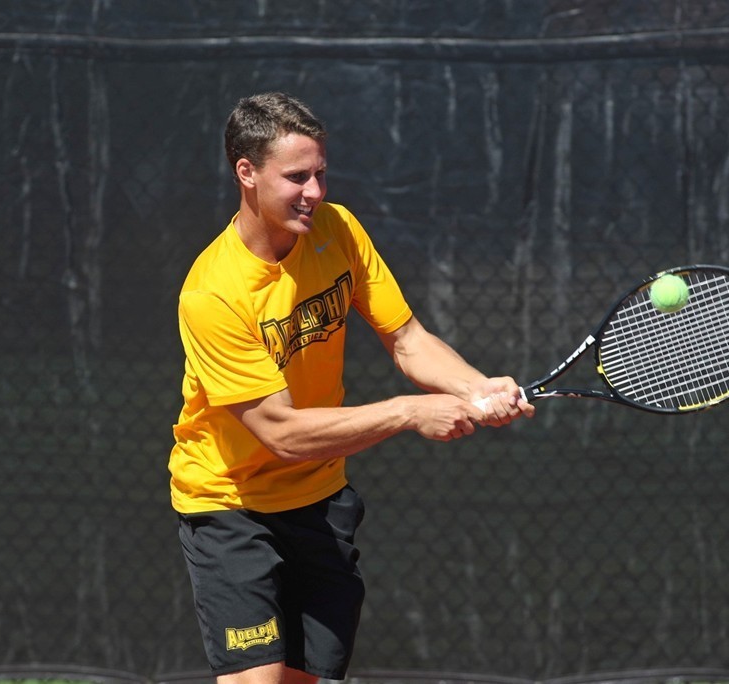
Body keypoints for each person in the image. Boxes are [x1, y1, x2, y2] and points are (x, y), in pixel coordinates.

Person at [170, 92, 534, 684]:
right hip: (232, 506)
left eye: (320, 174)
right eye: (296, 177)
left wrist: (476, 389)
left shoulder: (336, 230)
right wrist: (409, 412)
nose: (314, 192)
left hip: (319, 499)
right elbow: (280, 433)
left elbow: (409, 339)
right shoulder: (212, 293)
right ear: (247, 173)